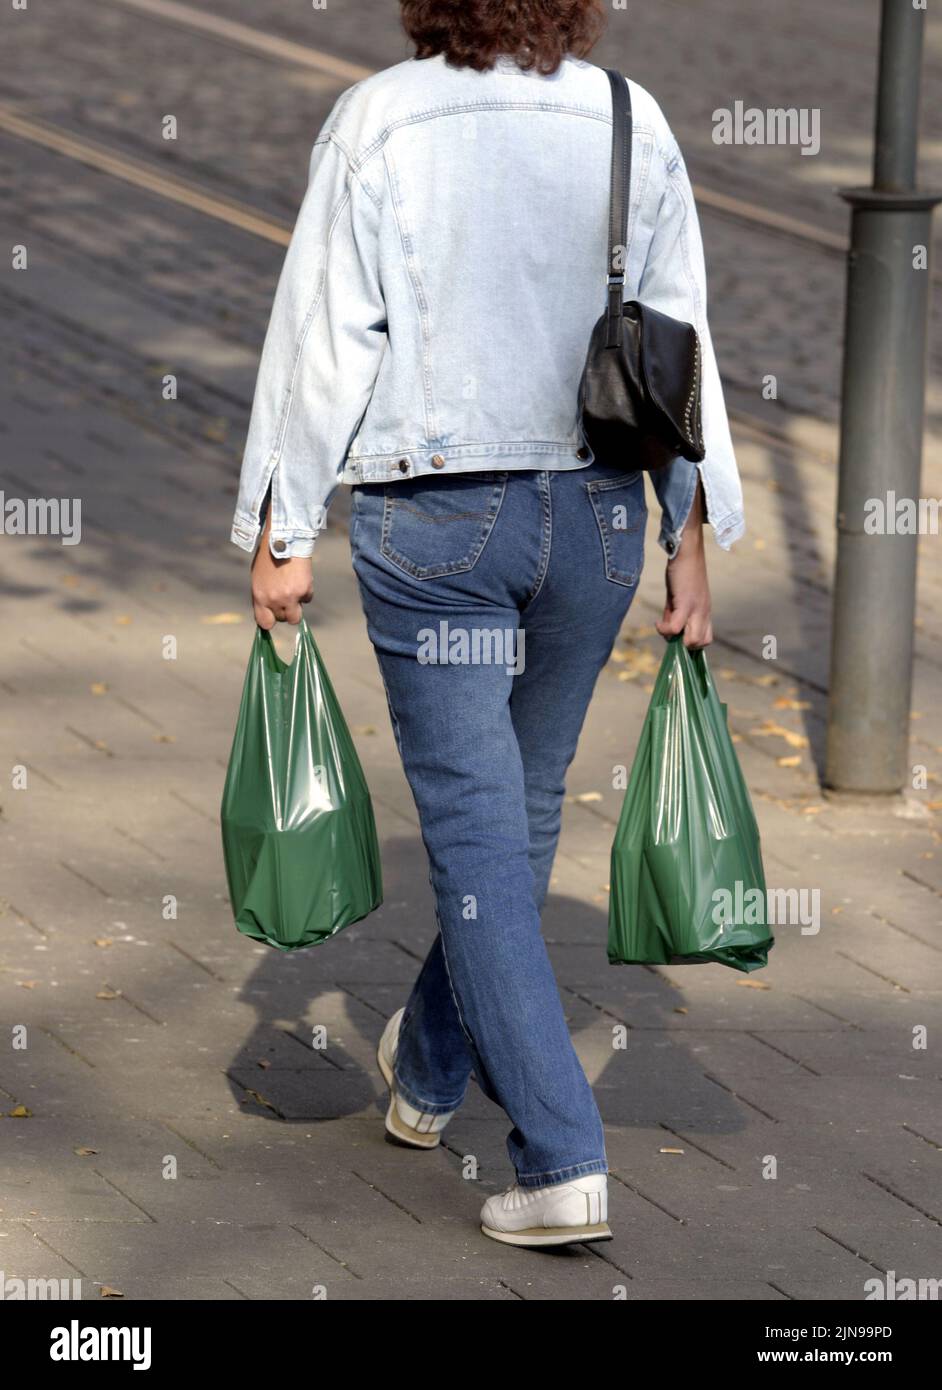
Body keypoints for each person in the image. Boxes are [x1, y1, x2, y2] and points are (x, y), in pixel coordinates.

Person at [232, 0, 744, 1248]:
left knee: (474, 828)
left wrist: (282, 527)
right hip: (599, 526)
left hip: (441, 519)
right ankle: (427, 1075)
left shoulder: (380, 119)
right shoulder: (633, 119)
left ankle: (561, 1154)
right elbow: (680, 350)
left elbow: (325, 341)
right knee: (512, 817)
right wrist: (690, 532)